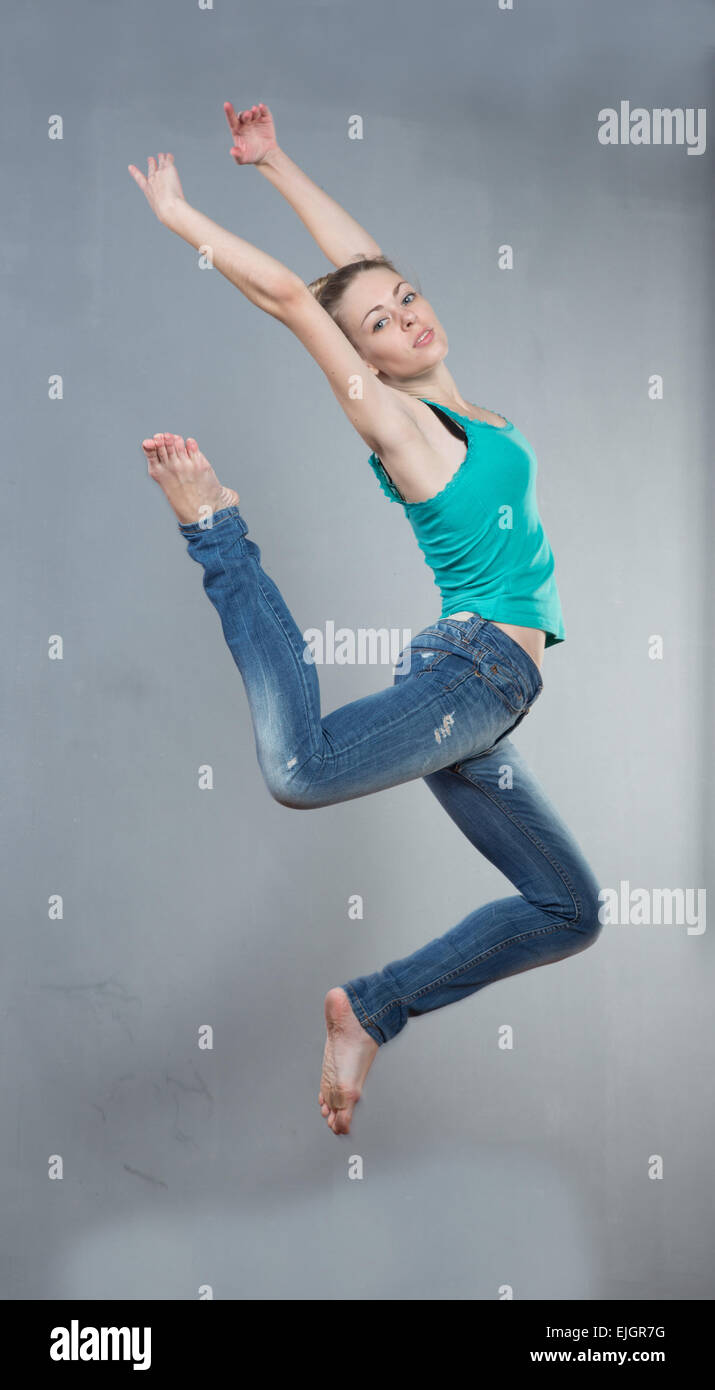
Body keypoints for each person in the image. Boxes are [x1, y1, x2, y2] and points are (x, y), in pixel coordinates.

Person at [128, 102, 603, 1138]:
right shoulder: (402, 426)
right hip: (471, 678)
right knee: (298, 769)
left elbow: (356, 268)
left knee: (572, 910)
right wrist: (183, 218)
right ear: (367, 363)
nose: (405, 317)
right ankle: (217, 530)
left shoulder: (463, 405)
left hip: (484, 702)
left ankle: (374, 1006)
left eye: (409, 301)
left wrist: (277, 164)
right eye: (381, 327)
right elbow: (302, 301)